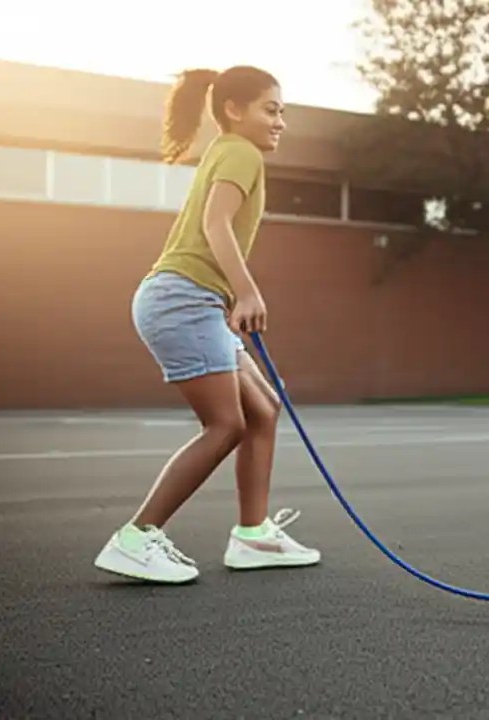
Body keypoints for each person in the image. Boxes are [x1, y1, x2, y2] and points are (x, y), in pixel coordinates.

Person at [93, 66, 320, 584]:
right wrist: (245, 291)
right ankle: (136, 537)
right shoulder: (239, 150)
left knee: (263, 407)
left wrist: (226, 300)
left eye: (283, 111)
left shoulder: (230, 150)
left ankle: (253, 535)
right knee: (227, 424)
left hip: (195, 300)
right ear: (234, 110)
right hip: (182, 299)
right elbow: (215, 225)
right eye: (271, 109)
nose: (280, 121)